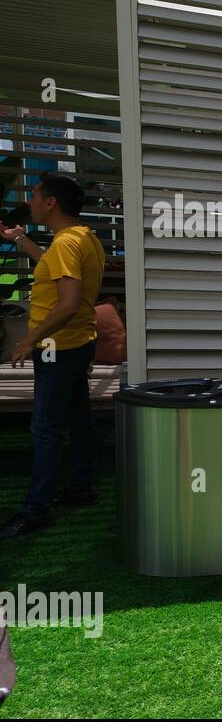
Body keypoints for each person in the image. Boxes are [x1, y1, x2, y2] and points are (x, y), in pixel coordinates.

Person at [0, 172, 106, 541]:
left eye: (34, 195)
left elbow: (69, 303)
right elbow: (53, 267)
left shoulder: (67, 244)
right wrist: (21, 240)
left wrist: (29, 340)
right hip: (78, 345)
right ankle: (81, 487)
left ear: (50, 203)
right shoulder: (83, 238)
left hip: (57, 350)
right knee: (79, 420)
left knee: (45, 429)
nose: (29, 201)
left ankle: (36, 510)